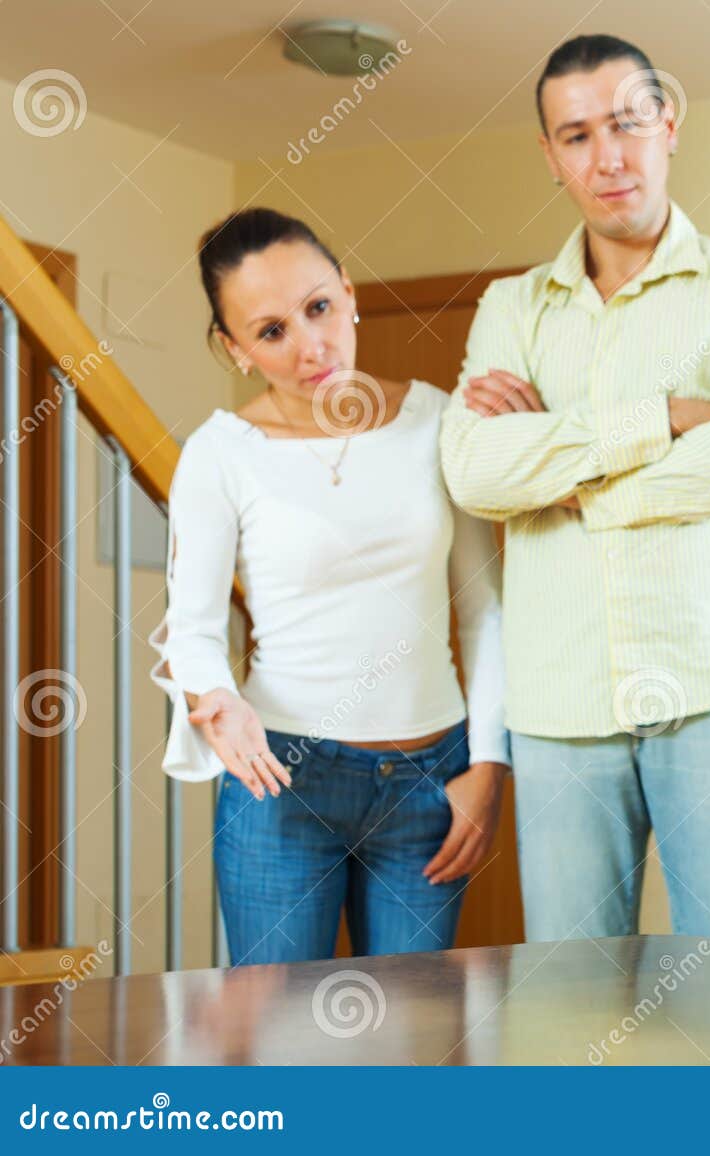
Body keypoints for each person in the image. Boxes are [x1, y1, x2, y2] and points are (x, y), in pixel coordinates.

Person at [439, 34, 710, 940]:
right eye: (575, 136)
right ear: (550, 156)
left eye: (626, 122)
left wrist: (574, 486)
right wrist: (663, 417)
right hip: (560, 702)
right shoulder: (511, 307)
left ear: (668, 123)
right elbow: (475, 470)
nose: (607, 157)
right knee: (571, 1005)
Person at [149, 207, 510, 964]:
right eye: (271, 331)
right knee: (286, 1050)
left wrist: (489, 765)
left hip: (431, 783)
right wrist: (219, 706)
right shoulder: (221, 455)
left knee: (414, 1047)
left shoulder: (434, 420)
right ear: (234, 348)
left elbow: (483, 611)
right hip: (285, 785)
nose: (313, 347)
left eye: (318, 308)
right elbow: (194, 630)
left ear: (347, 292)